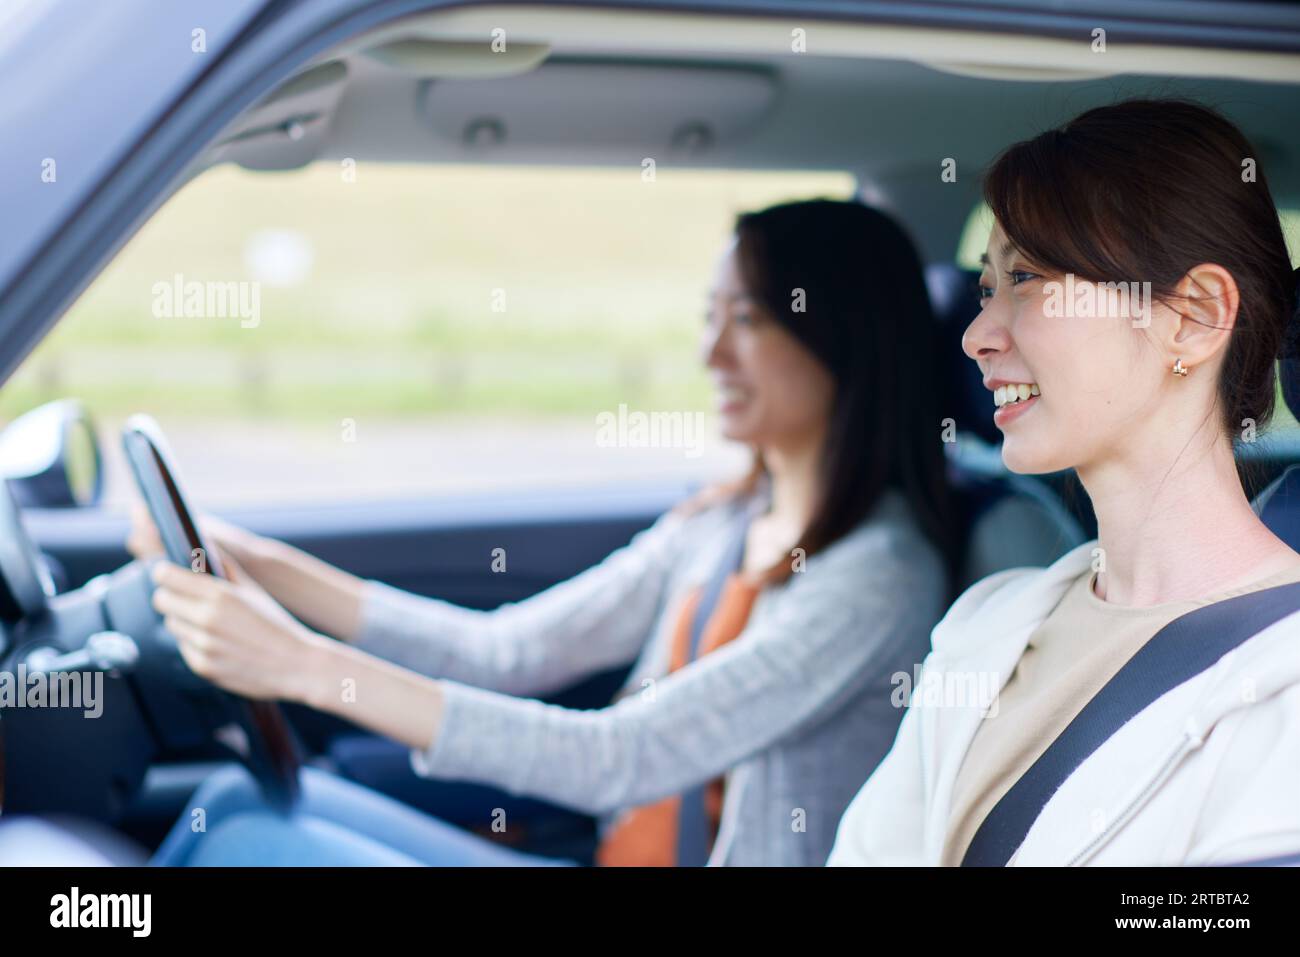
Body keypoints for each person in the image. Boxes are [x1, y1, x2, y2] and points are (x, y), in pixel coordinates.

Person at [139, 198, 955, 866]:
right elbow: (506, 653)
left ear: (842, 332)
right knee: (236, 800)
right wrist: (266, 565)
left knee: (247, 838)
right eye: (710, 316)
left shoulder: (876, 577)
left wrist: (303, 665)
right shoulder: (725, 521)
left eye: (745, 319)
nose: (711, 352)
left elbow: (617, 757)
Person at [829, 98, 1300, 866]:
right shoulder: (986, 622)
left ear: (1196, 316)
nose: (978, 335)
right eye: (988, 287)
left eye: (1031, 278)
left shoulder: (1286, 683)